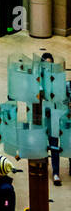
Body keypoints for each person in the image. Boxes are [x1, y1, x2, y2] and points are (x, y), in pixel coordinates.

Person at [42, 53, 63, 185]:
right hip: (42, 115)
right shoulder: (39, 80)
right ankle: (42, 168)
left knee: (54, 144)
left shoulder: (56, 80)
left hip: (54, 116)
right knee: (42, 143)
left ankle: (56, 172)